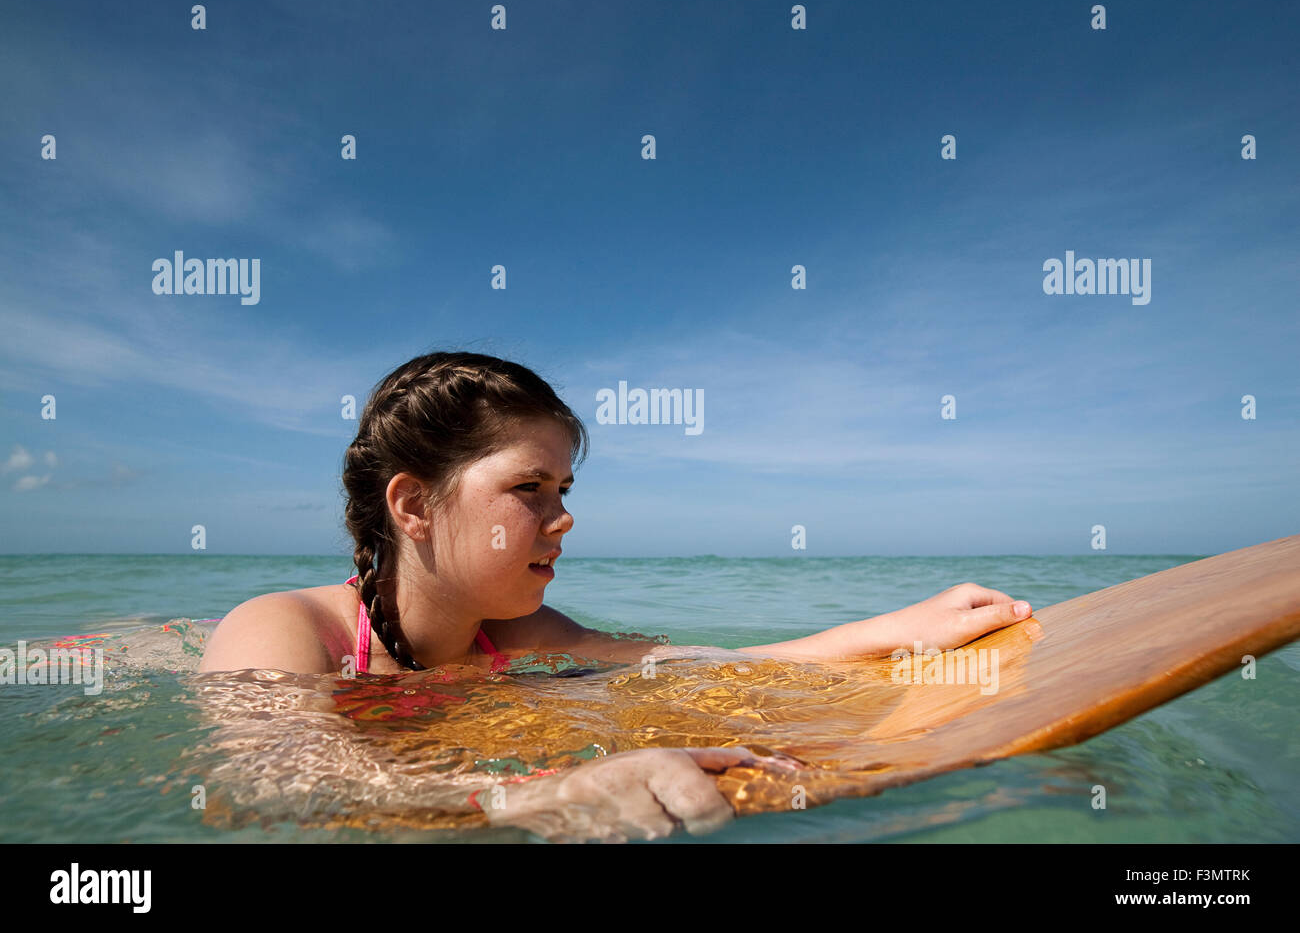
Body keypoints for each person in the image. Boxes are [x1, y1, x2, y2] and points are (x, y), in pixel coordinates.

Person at [198, 350, 1034, 840]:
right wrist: (524, 795)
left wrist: (909, 626)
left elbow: (714, 665)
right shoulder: (281, 631)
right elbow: (280, 789)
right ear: (414, 506)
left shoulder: (518, 637)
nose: (563, 520)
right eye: (531, 489)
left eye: (564, 489)